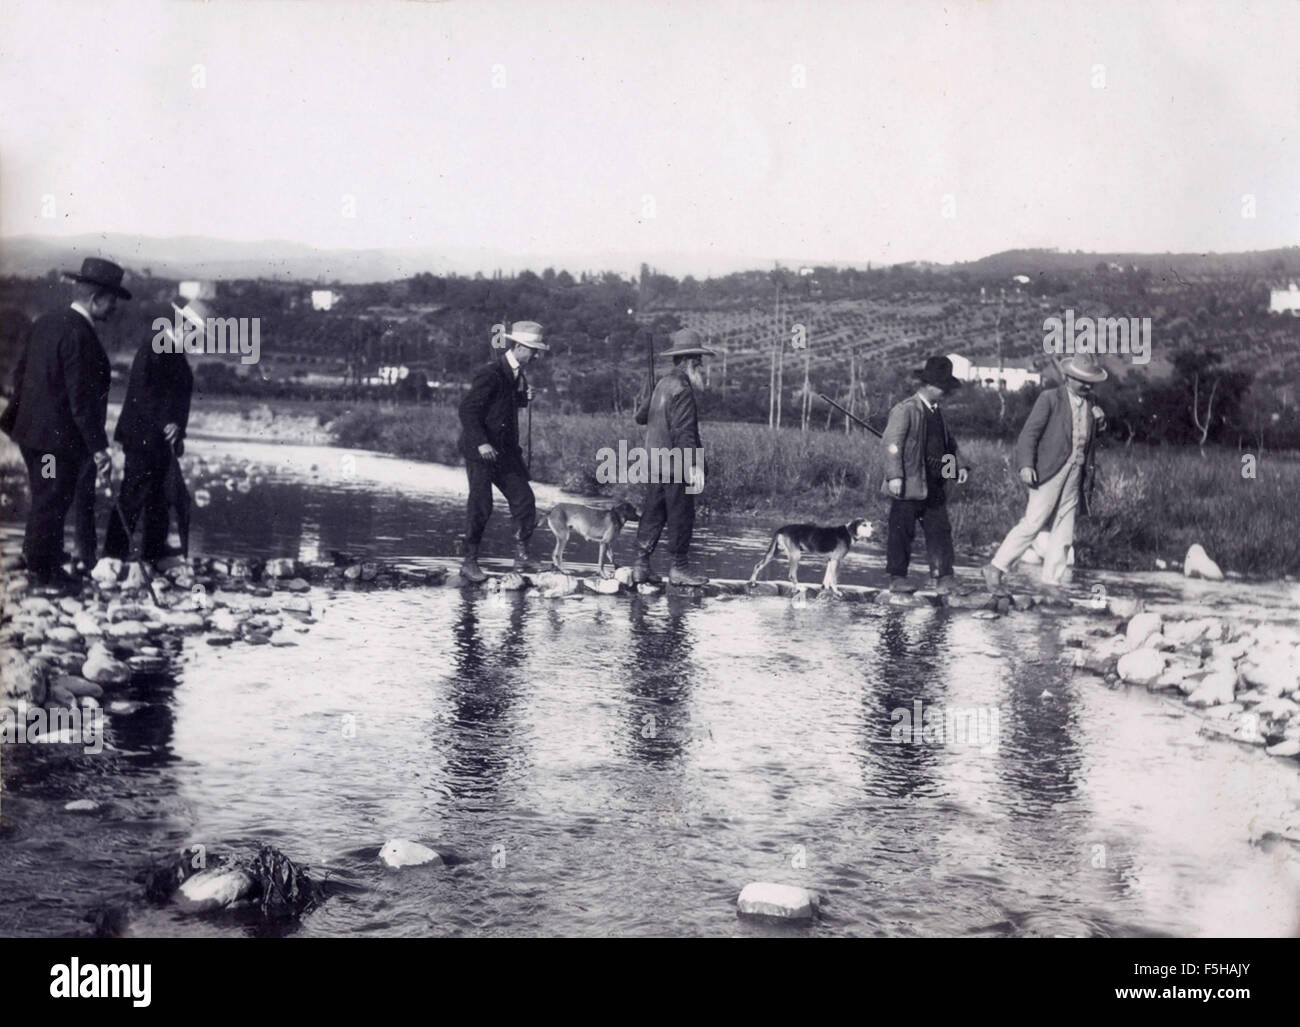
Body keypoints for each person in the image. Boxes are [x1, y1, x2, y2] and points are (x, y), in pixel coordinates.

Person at [0, 257, 128, 586]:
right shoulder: (81, 336)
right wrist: (99, 449)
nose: (114, 308)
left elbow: (20, 372)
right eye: (112, 300)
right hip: (51, 442)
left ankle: (37, 557)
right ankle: (44, 571)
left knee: (47, 493)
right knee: (52, 494)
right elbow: (81, 402)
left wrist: (15, 418)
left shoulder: (45, 322)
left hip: (30, 434)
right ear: (96, 298)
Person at [983, 353, 1107, 593]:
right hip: (1048, 471)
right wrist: (1026, 465)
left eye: (1091, 381)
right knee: (1033, 522)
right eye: (1083, 380)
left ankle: (1052, 583)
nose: (1088, 385)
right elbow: (1029, 434)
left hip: (1077, 472)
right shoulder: (1050, 398)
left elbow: (1090, 439)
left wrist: (1101, 423)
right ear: (1068, 377)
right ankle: (996, 567)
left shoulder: (1092, 404)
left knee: (1064, 527)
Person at [104, 297, 197, 562]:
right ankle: (114, 554)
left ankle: (153, 550)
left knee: (159, 497)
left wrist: (177, 431)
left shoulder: (172, 350)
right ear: (183, 326)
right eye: (196, 333)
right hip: (144, 436)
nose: (197, 340)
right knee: (134, 494)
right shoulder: (158, 346)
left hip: (158, 438)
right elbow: (144, 393)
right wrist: (167, 421)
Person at [456, 320, 548, 581]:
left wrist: (521, 399)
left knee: (524, 500)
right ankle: (469, 562)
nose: (536, 355)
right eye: (533, 350)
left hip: (504, 452)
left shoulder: (515, 373)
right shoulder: (492, 372)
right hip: (481, 451)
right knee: (481, 505)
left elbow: (499, 405)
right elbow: (468, 410)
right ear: (519, 347)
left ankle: (522, 558)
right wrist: (481, 442)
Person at [632, 328, 714, 586]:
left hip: (654, 464)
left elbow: (640, 417)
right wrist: (694, 466)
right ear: (689, 361)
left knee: (653, 514)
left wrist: (650, 392)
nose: (701, 366)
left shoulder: (662, 384)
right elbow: (684, 432)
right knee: (681, 515)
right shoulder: (682, 389)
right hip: (676, 466)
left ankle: (640, 566)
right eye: (699, 361)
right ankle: (679, 569)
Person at [880, 355, 968, 594]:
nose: (946, 392)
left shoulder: (938, 413)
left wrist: (955, 470)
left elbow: (948, 446)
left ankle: (944, 579)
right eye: (943, 387)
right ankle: (897, 579)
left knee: (940, 531)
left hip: (934, 486)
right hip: (908, 483)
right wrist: (895, 476)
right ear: (929, 385)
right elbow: (891, 444)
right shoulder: (905, 410)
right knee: (901, 530)